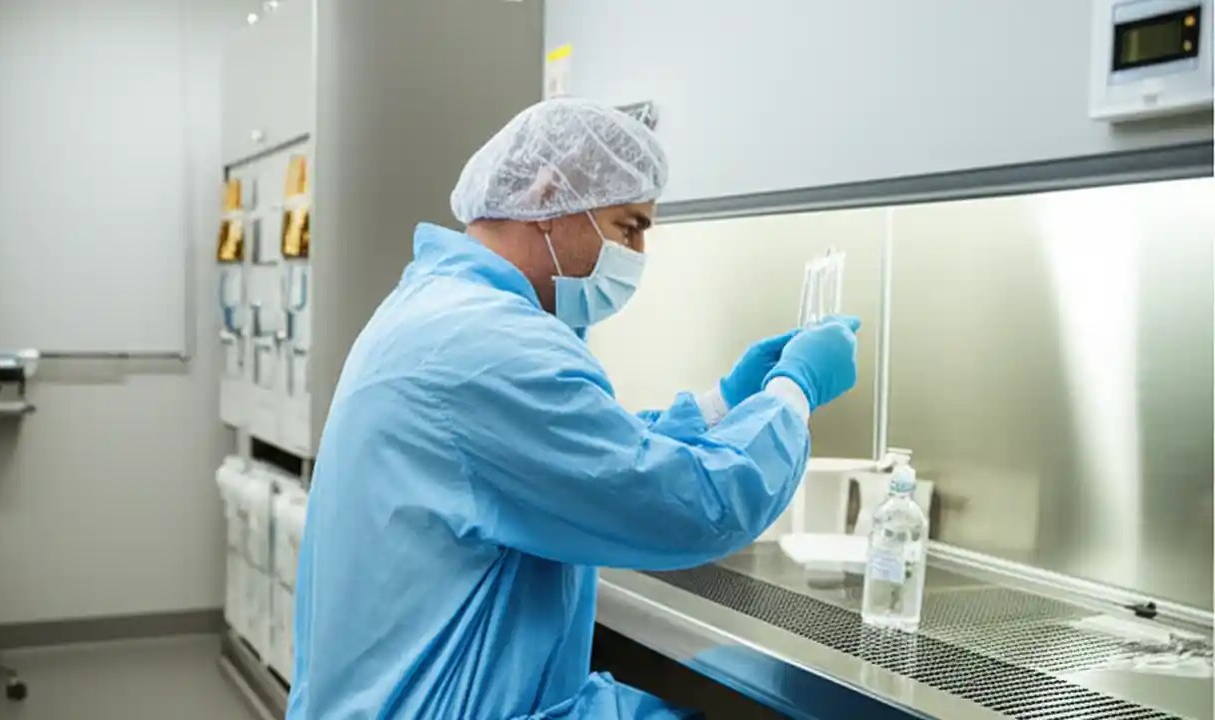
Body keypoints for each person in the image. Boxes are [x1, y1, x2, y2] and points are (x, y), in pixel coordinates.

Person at [287, 98, 861, 720]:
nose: (639, 254)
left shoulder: (442, 308)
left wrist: (723, 402)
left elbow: (588, 451)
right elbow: (697, 505)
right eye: (629, 226)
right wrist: (793, 391)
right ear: (550, 198)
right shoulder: (495, 345)